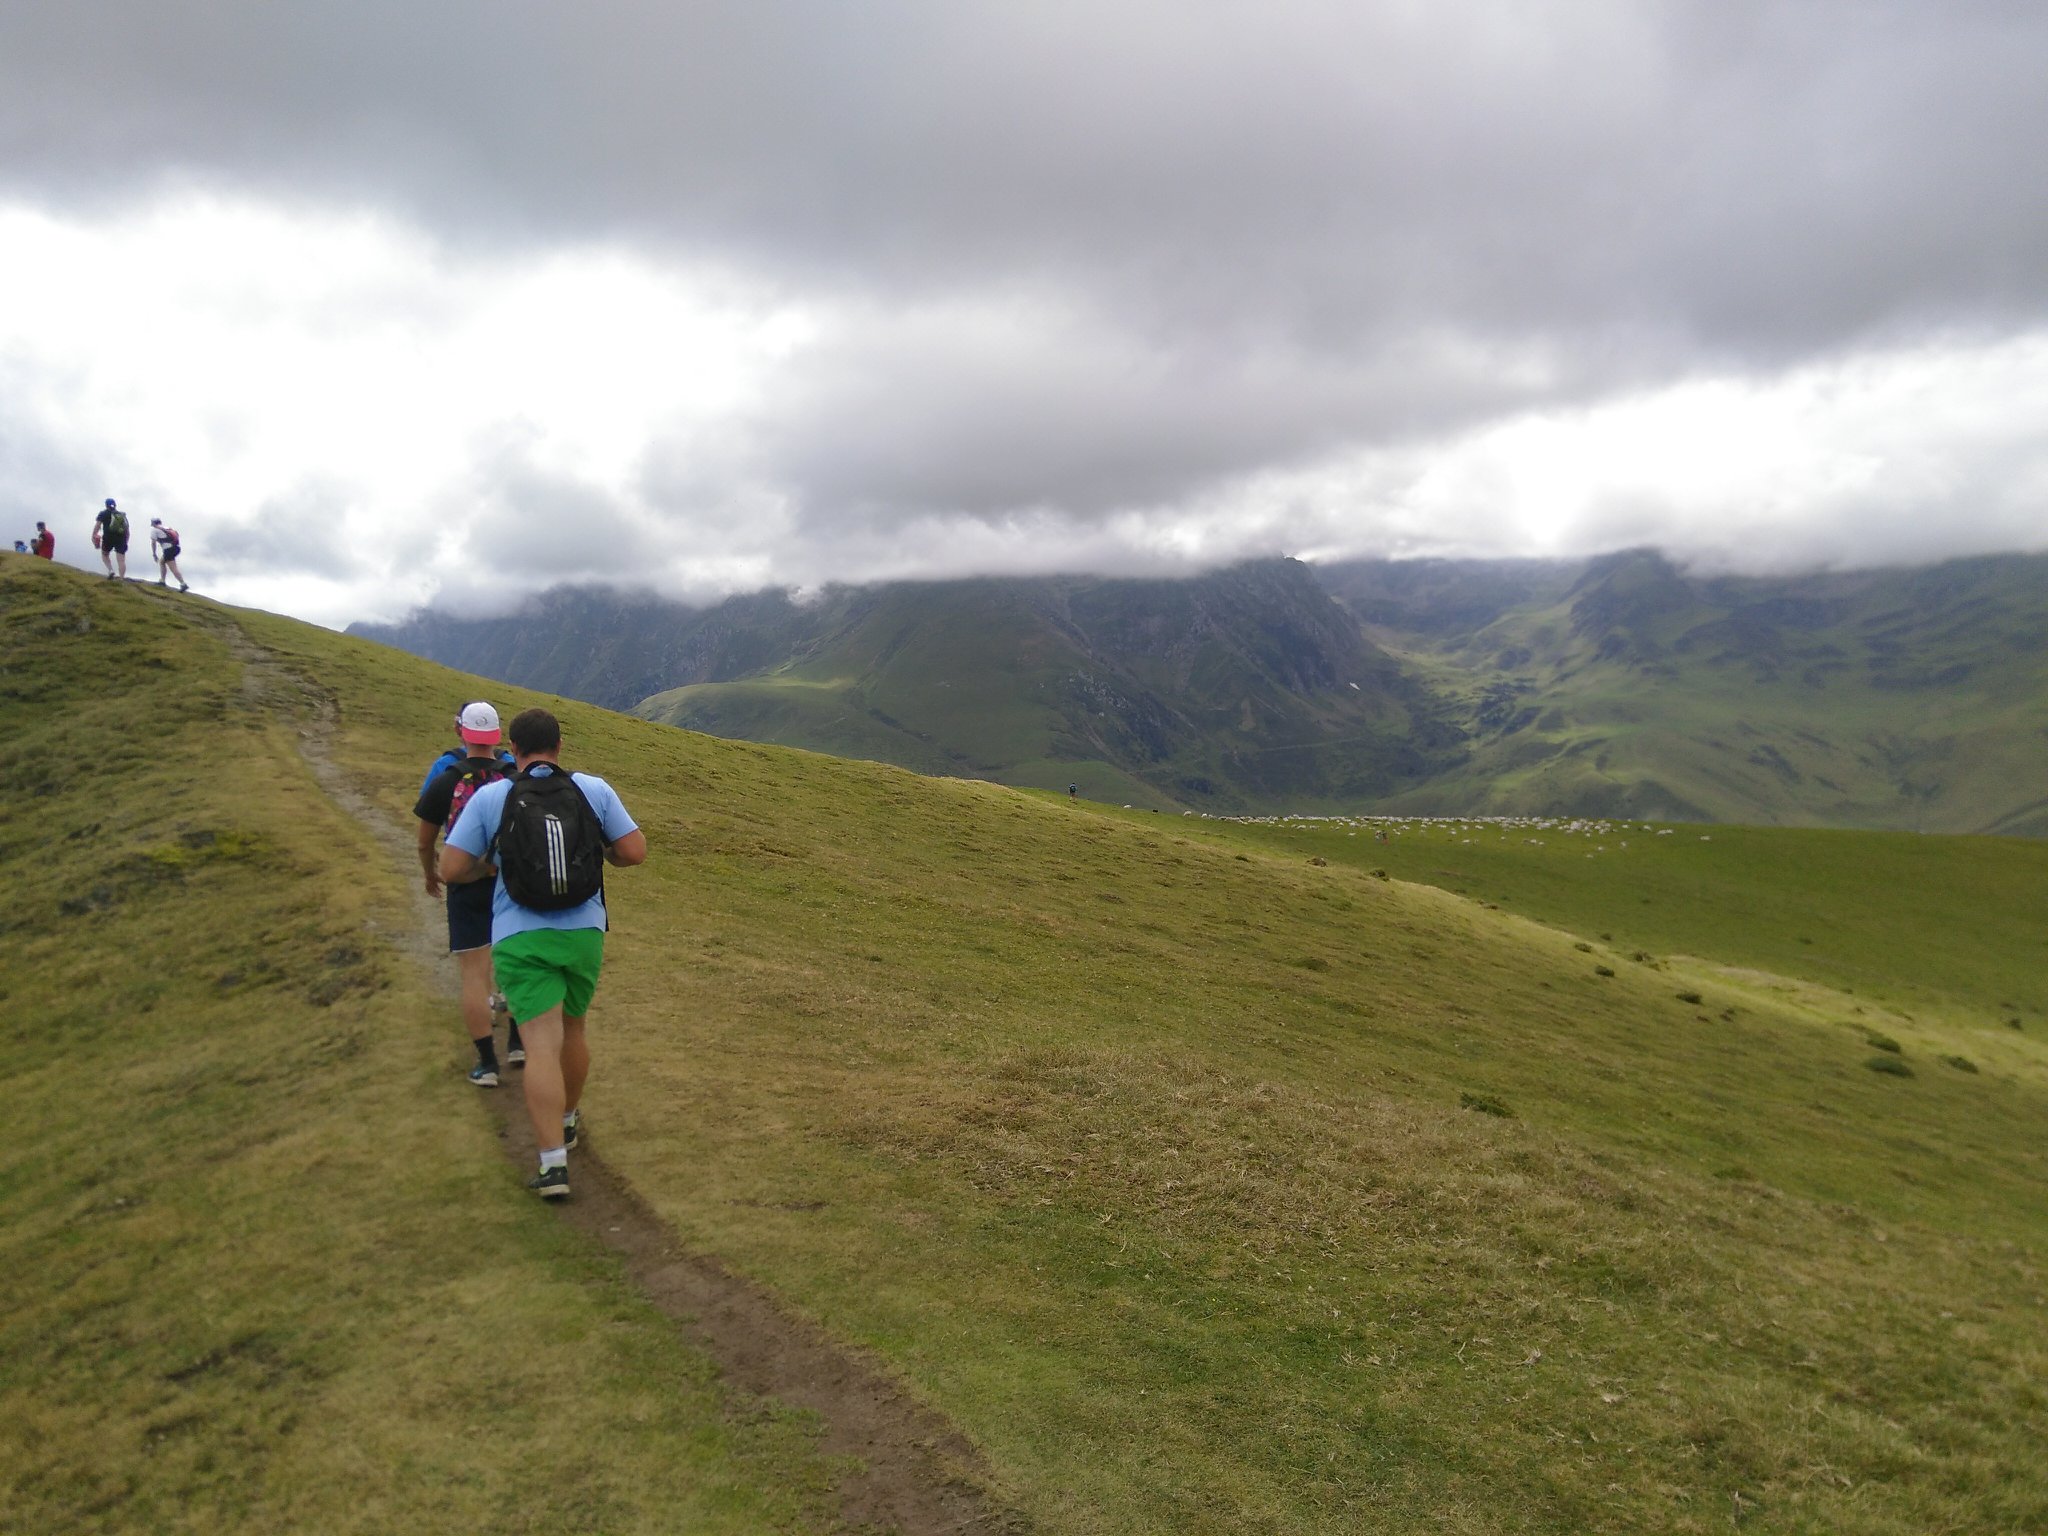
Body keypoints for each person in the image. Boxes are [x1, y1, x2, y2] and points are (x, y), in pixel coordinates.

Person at [440, 707, 646, 1199]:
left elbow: (450, 867)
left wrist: (487, 870)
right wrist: (604, 855)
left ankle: (553, 1164)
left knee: (539, 1044)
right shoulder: (592, 789)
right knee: (573, 1029)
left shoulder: (494, 796)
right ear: (560, 745)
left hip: (520, 934)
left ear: (513, 748)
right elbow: (634, 851)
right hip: (584, 932)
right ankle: (569, 1120)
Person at [414, 701, 525, 1087]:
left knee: (475, 976)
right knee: (513, 966)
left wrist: (431, 874)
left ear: (462, 731)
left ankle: (486, 1065)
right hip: (510, 883)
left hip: (464, 884)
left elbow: (426, 840)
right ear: (498, 736)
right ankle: (517, 1042)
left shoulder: (446, 776)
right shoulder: (514, 776)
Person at [92, 498, 130, 579]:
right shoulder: (121, 515)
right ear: (115, 505)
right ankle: (121, 578)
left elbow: (98, 525)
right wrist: (126, 541)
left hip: (108, 538)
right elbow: (127, 530)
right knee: (121, 560)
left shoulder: (103, 513)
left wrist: (94, 535)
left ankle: (111, 570)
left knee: (104, 554)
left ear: (106, 505)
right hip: (121, 539)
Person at [149, 518, 189, 591]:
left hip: (168, 549)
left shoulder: (154, 530)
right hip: (176, 548)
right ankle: (162, 581)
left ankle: (183, 584)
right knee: (162, 562)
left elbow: (153, 543)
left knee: (173, 568)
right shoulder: (167, 527)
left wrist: (154, 554)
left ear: (153, 523)